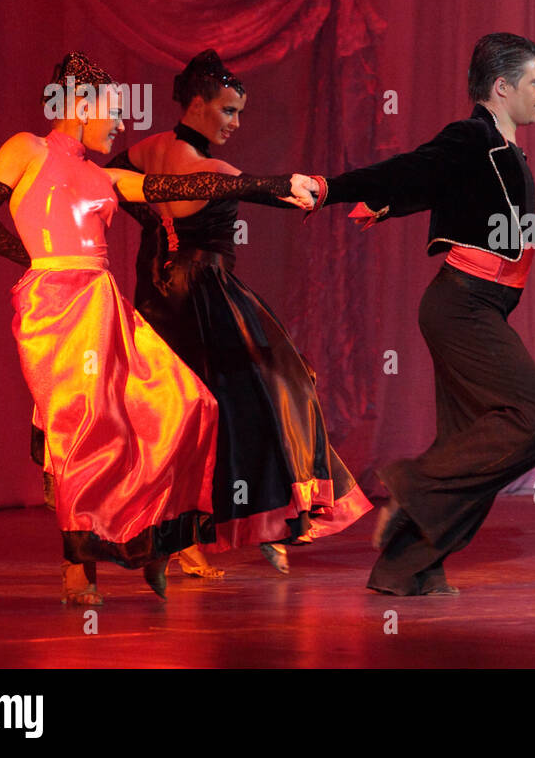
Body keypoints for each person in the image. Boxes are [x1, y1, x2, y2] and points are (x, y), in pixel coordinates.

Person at [0, 52, 317, 604]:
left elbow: (201, 185)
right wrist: (33, 262)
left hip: (103, 302)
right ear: (81, 107)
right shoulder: (27, 148)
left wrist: (279, 185)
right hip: (57, 308)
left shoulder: (104, 175)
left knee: (187, 406)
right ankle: (79, 569)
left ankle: (157, 541)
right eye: (114, 112)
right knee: (87, 433)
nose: (122, 123)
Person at [310, 32, 535, 595]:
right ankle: (410, 481)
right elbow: (410, 170)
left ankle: (407, 568)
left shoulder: (502, 149)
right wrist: (333, 189)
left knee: (472, 446)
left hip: (483, 308)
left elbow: (431, 189)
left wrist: (390, 205)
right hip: (461, 305)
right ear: (503, 87)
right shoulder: (471, 137)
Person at [108, 50, 371, 577]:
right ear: (198, 105)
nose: (235, 122)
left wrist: (153, 223)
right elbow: (276, 194)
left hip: (157, 290)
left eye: (239, 112)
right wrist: (349, 194)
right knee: (276, 386)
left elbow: (111, 181)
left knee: (184, 413)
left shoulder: (149, 150)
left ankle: (192, 536)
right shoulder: (213, 168)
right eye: (228, 110)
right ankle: (270, 521)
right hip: (205, 290)